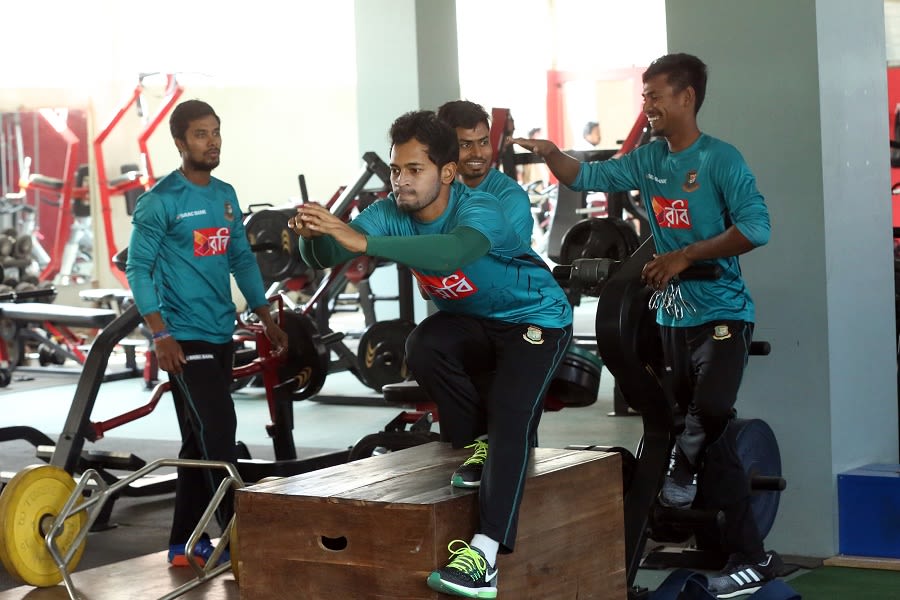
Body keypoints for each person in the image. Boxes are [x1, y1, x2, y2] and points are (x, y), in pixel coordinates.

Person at [512, 53, 777, 598]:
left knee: (710, 412)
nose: (647, 104)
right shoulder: (648, 159)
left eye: (655, 95)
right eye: (644, 95)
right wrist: (552, 154)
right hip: (672, 314)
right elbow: (587, 175)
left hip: (723, 310)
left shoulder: (720, 159)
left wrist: (685, 255)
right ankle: (750, 558)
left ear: (687, 97)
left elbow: (757, 228)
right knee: (705, 433)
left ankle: (683, 468)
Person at [290, 110, 572, 599]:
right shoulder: (389, 211)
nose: (401, 180)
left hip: (535, 318)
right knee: (423, 344)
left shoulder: (479, 207)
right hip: (474, 322)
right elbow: (330, 256)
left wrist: (360, 239)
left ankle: (485, 556)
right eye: (396, 169)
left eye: (414, 170)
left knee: (510, 413)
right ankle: (477, 443)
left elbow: (450, 254)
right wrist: (313, 237)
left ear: (446, 172)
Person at [125, 99, 288, 567]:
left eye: (216, 132)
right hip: (182, 338)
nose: (212, 141)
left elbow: (241, 259)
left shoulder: (225, 196)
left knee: (199, 440)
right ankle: (237, 538)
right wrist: (160, 335)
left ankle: (183, 543)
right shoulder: (161, 201)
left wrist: (266, 315)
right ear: (179, 142)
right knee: (219, 432)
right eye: (201, 134)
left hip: (219, 333)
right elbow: (138, 268)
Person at [436, 99, 533, 248]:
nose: (478, 153)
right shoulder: (436, 189)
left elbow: (478, 256)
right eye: (465, 145)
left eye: (483, 142)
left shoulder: (510, 197)